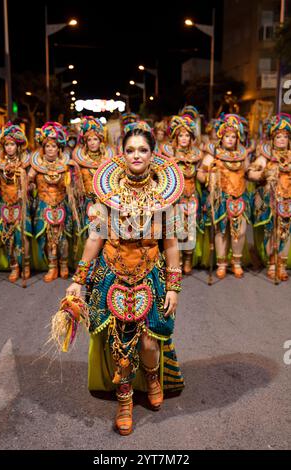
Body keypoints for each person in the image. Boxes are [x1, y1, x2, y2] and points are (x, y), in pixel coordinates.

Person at [65, 122, 185, 435]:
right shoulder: (107, 194)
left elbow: (171, 244)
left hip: (150, 274)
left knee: (148, 342)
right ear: (122, 154)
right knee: (120, 343)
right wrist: (79, 278)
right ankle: (125, 400)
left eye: (142, 149)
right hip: (112, 272)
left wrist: (173, 287)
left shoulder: (166, 196)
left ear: (152, 154)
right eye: (130, 149)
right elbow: (95, 238)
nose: (136, 155)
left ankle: (153, 376)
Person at [197, 114, 251, 279]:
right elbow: (200, 173)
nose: (230, 139)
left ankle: (236, 262)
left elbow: (250, 173)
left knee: (240, 232)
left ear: (237, 138)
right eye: (227, 136)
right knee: (221, 232)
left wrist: (264, 174)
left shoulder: (243, 155)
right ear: (221, 136)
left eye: (233, 136)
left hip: (240, 196)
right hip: (221, 198)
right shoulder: (213, 154)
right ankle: (221, 264)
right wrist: (209, 177)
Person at [248, 113, 291, 281]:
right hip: (270, 201)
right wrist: (264, 173)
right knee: (270, 232)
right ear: (273, 139)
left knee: (285, 233)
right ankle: (271, 264)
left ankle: (282, 265)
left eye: (285, 137)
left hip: (288, 200)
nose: (282, 140)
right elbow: (251, 172)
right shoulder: (266, 155)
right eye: (278, 136)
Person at [28, 122, 73, 282]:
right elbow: (29, 184)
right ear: (43, 148)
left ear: (59, 148)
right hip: (44, 204)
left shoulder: (66, 166)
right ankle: (52, 267)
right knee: (48, 238)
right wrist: (27, 183)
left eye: (54, 146)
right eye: (47, 146)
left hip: (61, 204)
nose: (51, 149)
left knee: (62, 238)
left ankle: (64, 265)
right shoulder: (35, 166)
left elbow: (72, 185)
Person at [161, 115, 203, 275]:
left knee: (190, 230)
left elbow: (202, 178)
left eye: (187, 135)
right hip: (174, 199)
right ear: (175, 137)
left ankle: (188, 259)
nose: (184, 138)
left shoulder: (196, 156)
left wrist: (210, 173)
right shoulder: (168, 155)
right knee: (175, 230)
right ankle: (175, 261)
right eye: (181, 135)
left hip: (191, 197)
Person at [0, 122, 32, 282]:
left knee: (23, 236)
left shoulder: (25, 164)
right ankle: (14, 266)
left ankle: (26, 266)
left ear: (18, 146)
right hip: (4, 204)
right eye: (7, 144)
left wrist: (25, 183)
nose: (9, 147)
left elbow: (32, 183)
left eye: (12, 144)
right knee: (7, 237)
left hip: (21, 203)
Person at [72, 116, 114, 239]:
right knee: (90, 236)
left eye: (95, 139)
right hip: (87, 203)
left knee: (106, 236)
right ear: (85, 142)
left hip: (106, 202)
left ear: (101, 140)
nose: (92, 142)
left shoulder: (109, 161)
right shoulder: (79, 161)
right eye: (89, 139)